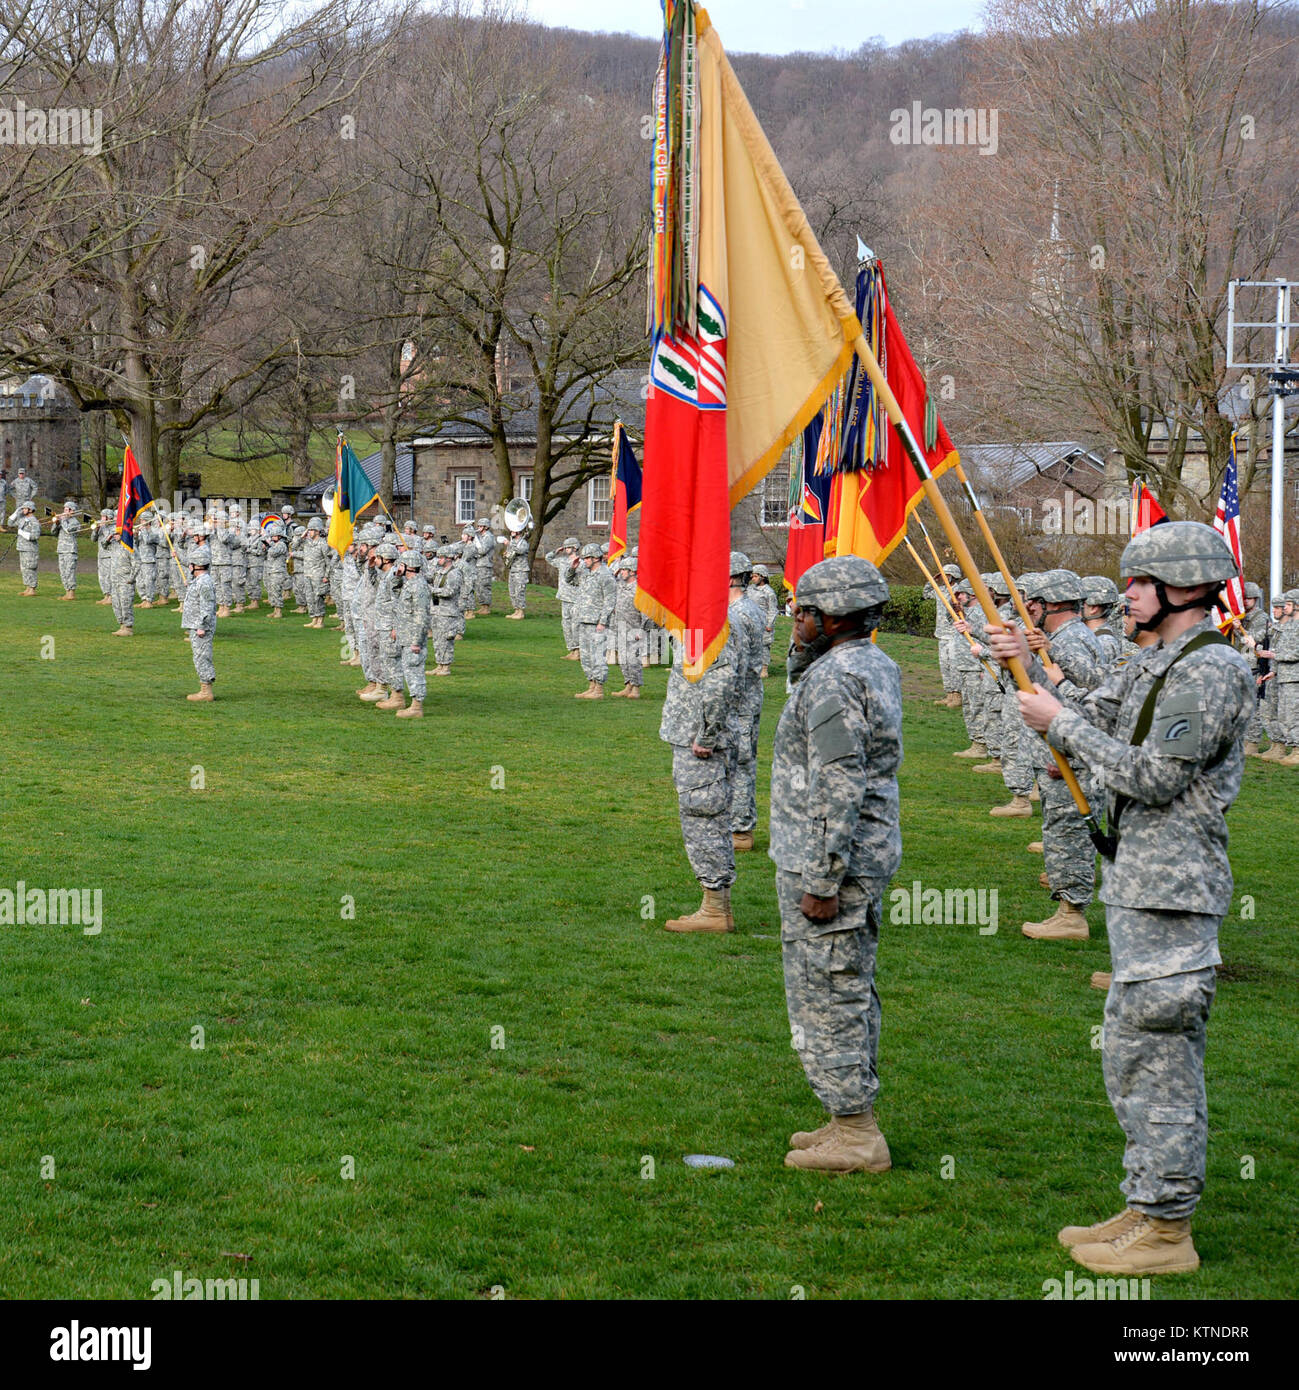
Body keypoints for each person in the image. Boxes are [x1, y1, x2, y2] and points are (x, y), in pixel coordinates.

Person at [986, 521, 1251, 1276]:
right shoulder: (1155, 659)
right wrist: (1026, 669)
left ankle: (1168, 1232)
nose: (1126, 593)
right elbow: (1101, 713)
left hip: (1175, 889)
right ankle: (1145, 1203)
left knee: (1158, 1054)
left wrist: (1059, 725)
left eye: (1139, 582)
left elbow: (1157, 776)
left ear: (1184, 588)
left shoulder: (1210, 670)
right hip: (1139, 879)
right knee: (1132, 1053)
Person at [771, 556, 902, 1174]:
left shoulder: (835, 680)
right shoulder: (862, 664)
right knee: (840, 983)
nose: (794, 619)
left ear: (835, 618)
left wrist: (824, 878)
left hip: (833, 863)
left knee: (830, 990)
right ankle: (841, 1115)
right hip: (848, 854)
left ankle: (857, 1134)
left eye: (805, 611)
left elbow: (838, 782)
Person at [1016, 570, 1107, 941]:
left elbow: (1091, 705)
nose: (1027, 608)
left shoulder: (1069, 643)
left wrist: (1068, 752)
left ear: (1047, 603)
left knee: (1071, 832)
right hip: (1061, 754)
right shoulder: (1061, 639)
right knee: (1061, 831)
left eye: (1031, 602)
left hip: (1070, 758)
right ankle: (1065, 904)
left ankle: (1072, 916)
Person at [658, 622, 739, 933]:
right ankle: (718, 907)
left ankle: (716, 909)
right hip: (696, 735)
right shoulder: (703, 620)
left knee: (703, 819)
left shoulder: (709, 621)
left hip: (701, 744)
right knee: (708, 820)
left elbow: (720, 681)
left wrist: (706, 736)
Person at [727, 551, 766, 852]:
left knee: (739, 764)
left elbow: (735, 664)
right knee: (741, 762)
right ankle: (738, 826)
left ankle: (740, 831)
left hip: (739, 699)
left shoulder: (739, 613)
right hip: (748, 697)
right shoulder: (749, 608)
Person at [1254, 589, 1299, 766]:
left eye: (1288, 604)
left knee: (1293, 715)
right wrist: (1274, 671)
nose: (1285, 607)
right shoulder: (1290, 626)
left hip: (1295, 677)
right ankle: (1287, 747)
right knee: (1285, 715)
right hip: (1285, 676)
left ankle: (1297, 749)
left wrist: (1274, 655)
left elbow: (1295, 652)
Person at [392, 548, 432, 717]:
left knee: (414, 670)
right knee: (408, 669)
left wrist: (416, 641)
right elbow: (394, 591)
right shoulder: (408, 583)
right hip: (405, 634)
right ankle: (414, 705)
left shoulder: (419, 586)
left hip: (413, 637)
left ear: (408, 566)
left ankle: (416, 707)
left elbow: (421, 616)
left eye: (401, 564)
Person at [573, 543, 616, 699]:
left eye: (587, 558)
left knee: (597, 656)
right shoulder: (586, 573)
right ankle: (591, 685)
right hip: (584, 619)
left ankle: (599, 689)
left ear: (596, 558)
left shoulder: (605, 575)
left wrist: (602, 622)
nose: (584, 561)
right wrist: (573, 568)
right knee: (586, 656)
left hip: (597, 622)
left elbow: (610, 601)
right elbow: (570, 581)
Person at [181, 542, 218, 701]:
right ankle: (204, 689)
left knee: (202, 657)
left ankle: (206, 692)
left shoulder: (204, 582)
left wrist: (201, 626)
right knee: (199, 656)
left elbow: (207, 605)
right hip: (196, 624)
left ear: (195, 566)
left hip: (201, 626)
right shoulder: (200, 580)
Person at [609, 557, 645, 698]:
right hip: (620, 627)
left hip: (634, 628)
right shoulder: (620, 585)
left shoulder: (639, 589)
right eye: (622, 569)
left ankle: (636, 688)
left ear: (632, 571)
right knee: (623, 659)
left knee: (633, 659)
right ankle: (628, 685)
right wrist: (615, 572)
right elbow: (607, 581)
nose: (621, 572)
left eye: (624, 569)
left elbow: (646, 613)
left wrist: (641, 630)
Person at [546, 536, 584, 657]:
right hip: (564, 596)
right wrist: (556, 551)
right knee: (566, 624)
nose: (566, 549)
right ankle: (572, 649)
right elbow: (548, 558)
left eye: (569, 547)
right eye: (566, 547)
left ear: (575, 548)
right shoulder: (562, 560)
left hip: (576, 597)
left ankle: (578, 650)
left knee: (575, 624)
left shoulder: (581, 563)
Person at [429, 545, 463, 675]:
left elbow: (450, 591)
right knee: (437, 640)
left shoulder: (454, 573)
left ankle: (446, 666)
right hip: (437, 611)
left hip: (448, 613)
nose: (438, 560)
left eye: (441, 557)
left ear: (448, 558)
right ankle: (439, 664)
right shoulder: (439, 572)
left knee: (446, 640)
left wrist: (432, 590)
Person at [749, 565, 780, 677]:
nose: (753, 578)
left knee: (764, 646)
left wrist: (769, 624)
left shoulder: (769, 592)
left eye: (756, 576)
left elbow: (773, 609)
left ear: (763, 577)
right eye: (752, 576)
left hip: (763, 624)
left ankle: (763, 669)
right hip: (750, 622)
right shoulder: (750, 589)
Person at [301, 516, 331, 628]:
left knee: (318, 598)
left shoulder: (323, 544)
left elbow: (328, 561)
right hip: (307, 573)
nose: (309, 532)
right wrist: (301, 537)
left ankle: (320, 620)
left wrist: (326, 576)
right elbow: (293, 545)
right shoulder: (307, 542)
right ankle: (314, 618)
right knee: (309, 597)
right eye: (308, 530)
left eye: (311, 530)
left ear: (318, 531)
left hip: (318, 575)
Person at [109, 520, 136, 634]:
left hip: (126, 580)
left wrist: (131, 578)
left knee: (125, 603)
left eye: (117, 534)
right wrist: (109, 537)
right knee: (116, 603)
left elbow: (137, 563)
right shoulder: (114, 546)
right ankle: (121, 625)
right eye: (114, 534)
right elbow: (104, 545)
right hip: (115, 580)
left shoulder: (130, 546)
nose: (115, 536)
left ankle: (128, 627)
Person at [51, 500, 81, 599]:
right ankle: (67, 591)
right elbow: (53, 532)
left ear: (72, 511)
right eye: (64, 509)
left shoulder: (75, 522)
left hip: (70, 550)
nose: (64, 512)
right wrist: (56, 523)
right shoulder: (63, 521)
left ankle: (71, 593)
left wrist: (62, 520)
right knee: (63, 571)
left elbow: (68, 530)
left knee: (69, 571)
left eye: (67, 509)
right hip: (61, 549)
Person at [13, 499, 41, 594]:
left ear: (30, 509)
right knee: (24, 568)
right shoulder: (23, 519)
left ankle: (32, 589)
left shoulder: (34, 522)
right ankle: (27, 588)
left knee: (30, 568)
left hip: (30, 548)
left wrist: (22, 533)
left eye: (25, 508)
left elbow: (35, 536)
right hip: (22, 547)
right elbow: (10, 523)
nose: (23, 510)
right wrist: (16, 512)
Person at [503, 528, 530, 619]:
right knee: (512, 591)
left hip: (521, 570)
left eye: (513, 531)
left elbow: (520, 551)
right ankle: (516, 610)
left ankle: (521, 612)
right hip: (513, 569)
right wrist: (506, 554)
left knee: (519, 591)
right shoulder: (513, 542)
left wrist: (509, 544)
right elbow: (511, 553)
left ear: (518, 532)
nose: (511, 532)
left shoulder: (523, 542)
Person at [472, 517, 495, 613]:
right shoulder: (481, 536)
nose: (478, 528)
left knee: (484, 585)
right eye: (478, 526)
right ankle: (482, 606)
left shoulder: (488, 537)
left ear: (486, 527)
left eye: (481, 526)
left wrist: (475, 538)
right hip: (479, 564)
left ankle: (486, 607)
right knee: (479, 586)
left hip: (485, 565)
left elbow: (482, 550)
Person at [92, 509, 115, 603]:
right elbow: (93, 539)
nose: (101, 518)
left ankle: (111, 597)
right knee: (102, 576)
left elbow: (108, 539)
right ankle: (106, 595)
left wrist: (103, 527)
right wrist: (96, 529)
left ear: (108, 517)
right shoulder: (101, 527)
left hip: (110, 555)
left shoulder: (114, 527)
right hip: (101, 555)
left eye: (103, 516)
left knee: (109, 576)